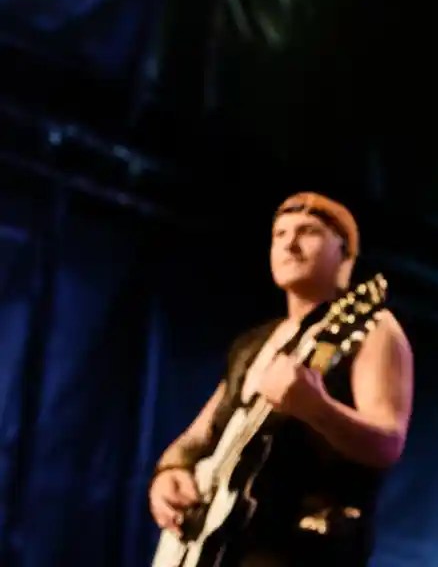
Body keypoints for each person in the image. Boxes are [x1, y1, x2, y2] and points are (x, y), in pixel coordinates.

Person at [147, 192, 414, 566]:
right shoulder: (252, 345)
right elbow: (200, 436)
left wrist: (317, 408)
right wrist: (169, 473)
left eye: (308, 231)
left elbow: (387, 443)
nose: (290, 243)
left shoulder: (371, 328)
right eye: (280, 233)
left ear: (345, 253)